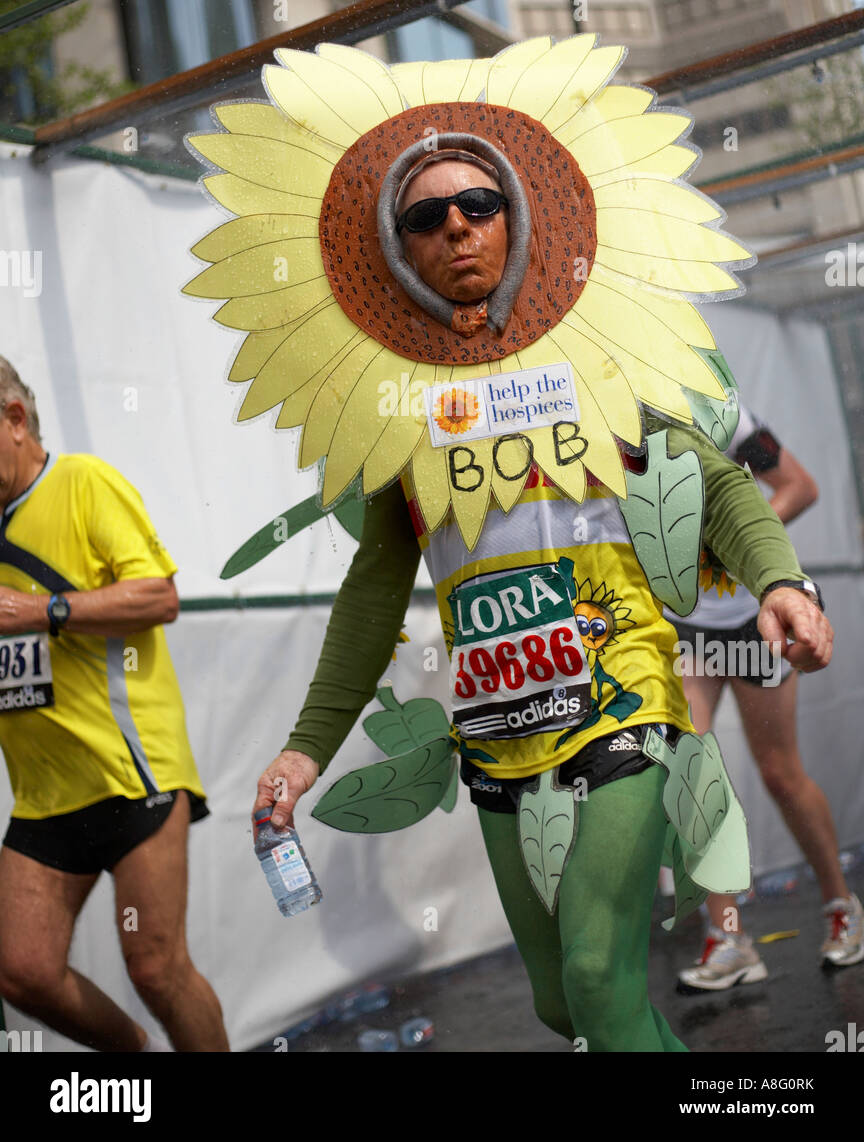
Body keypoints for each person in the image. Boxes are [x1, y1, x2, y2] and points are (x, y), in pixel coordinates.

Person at [253, 152, 833, 1054]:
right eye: (425, 216)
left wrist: (781, 582)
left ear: (513, 220)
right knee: (567, 1004)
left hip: (620, 702)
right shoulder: (395, 408)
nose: (455, 224)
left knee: (601, 980)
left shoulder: (597, 358)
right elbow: (373, 589)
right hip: (494, 731)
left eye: (478, 203)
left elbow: (718, 486)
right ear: (401, 252)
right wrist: (304, 749)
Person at [0, 358, 228, 1052]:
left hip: (135, 775)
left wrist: (45, 610)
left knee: (158, 968)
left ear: (13, 420)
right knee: (23, 971)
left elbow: (159, 596)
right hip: (45, 797)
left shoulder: (83, 483)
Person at [672, 402, 863, 991]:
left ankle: (842, 909)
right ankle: (729, 938)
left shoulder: (725, 416)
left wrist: (732, 545)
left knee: (779, 773)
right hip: (684, 626)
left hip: (755, 619)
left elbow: (799, 487)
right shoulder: (623, 419)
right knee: (689, 773)